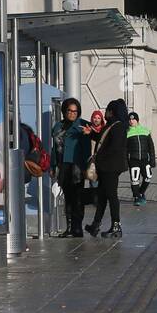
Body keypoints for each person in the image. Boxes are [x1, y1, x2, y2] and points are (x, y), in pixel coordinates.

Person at [85, 98, 129, 238]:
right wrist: (90, 134)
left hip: (110, 167)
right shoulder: (112, 125)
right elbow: (101, 139)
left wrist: (99, 158)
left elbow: (113, 147)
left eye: (107, 110)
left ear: (112, 112)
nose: (105, 113)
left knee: (111, 196)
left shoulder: (118, 126)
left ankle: (116, 226)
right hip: (107, 167)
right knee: (103, 196)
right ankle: (95, 225)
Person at [50, 97, 90, 238]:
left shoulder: (82, 125)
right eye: (69, 111)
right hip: (63, 165)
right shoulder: (57, 127)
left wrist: (86, 166)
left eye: (75, 111)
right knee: (67, 197)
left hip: (77, 165)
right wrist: (53, 165)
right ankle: (69, 227)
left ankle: (77, 228)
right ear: (64, 111)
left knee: (78, 197)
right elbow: (54, 148)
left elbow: (87, 147)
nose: (72, 113)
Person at [126, 112, 156, 206]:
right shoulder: (127, 132)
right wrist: (126, 162)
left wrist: (152, 159)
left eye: (133, 119)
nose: (131, 121)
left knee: (148, 176)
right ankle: (136, 197)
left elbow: (151, 147)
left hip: (144, 159)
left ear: (137, 120)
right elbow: (125, 149)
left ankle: (141, 192)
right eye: (130, 119)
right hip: (133, 159)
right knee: (135, 179)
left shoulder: (145, 131)